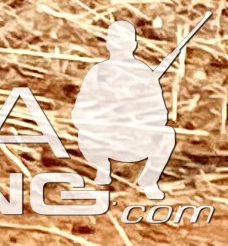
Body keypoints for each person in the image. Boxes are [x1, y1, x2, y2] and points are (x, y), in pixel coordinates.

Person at [75, 21, 181, 197]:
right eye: (115, 41)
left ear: (133, 44)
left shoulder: (144, 73)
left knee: (167, 134)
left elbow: (160, 114)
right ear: (109, 44)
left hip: (136, 139)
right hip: (105, 139)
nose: (120, 46)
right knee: (84, 135)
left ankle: (148, 180)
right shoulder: (98, 72)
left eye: (125, 41)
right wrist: (107, 117)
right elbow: (79, 113)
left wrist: (137, 117)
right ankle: (101, 174)